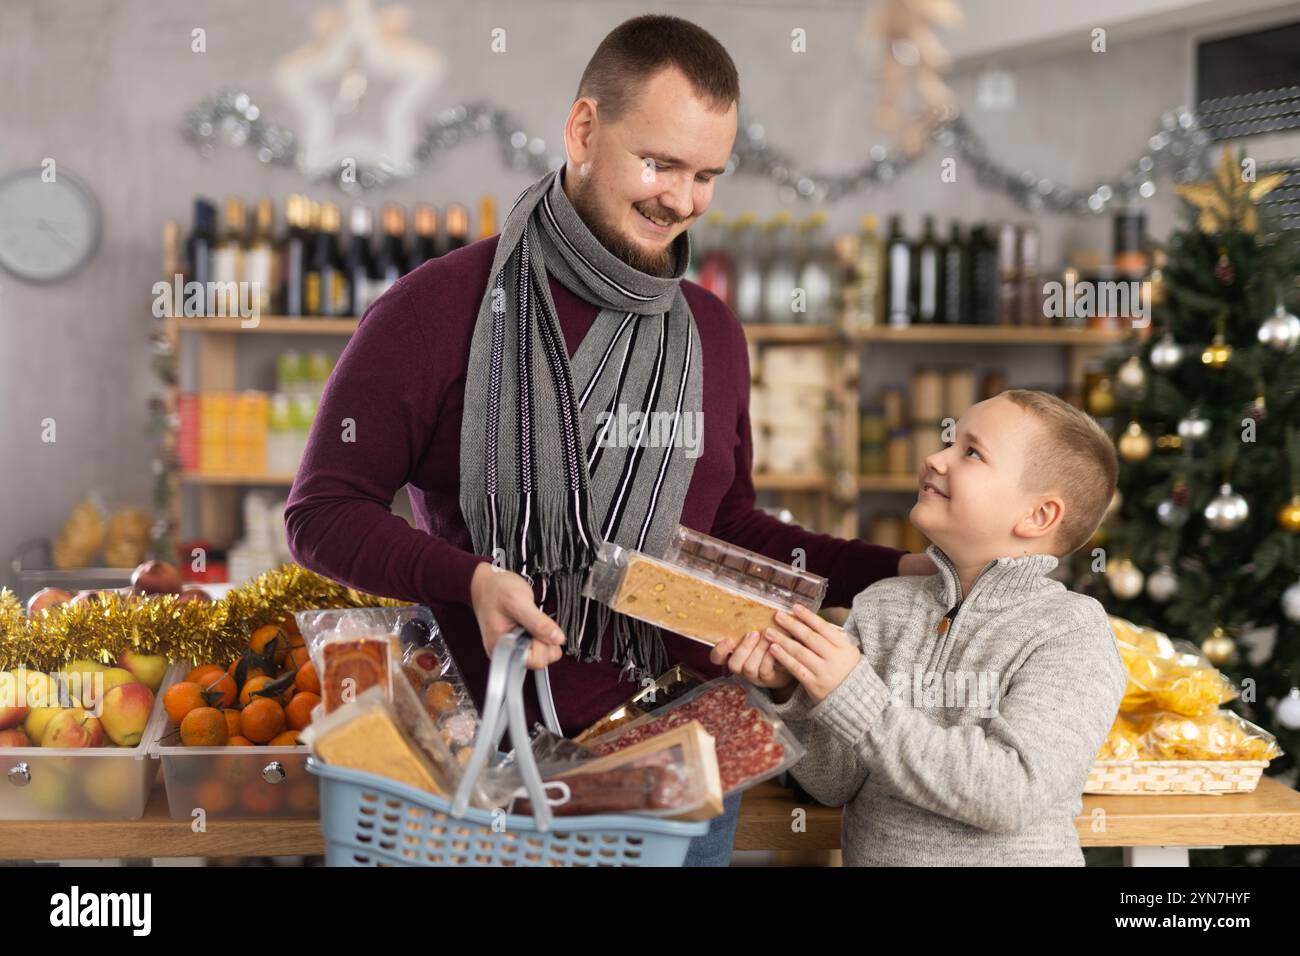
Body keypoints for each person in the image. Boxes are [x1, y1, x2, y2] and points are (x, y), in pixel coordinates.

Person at [285, 14, 933, 868]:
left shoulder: (710, 333)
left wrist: (899, 570)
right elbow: (322, 513)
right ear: (584, 131)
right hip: (490, 767)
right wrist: (469, 579)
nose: (683, 200)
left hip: (681, 767)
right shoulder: (435, 310)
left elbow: (724, 527)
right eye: (660, 163)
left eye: (707, 175)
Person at [714, 390, 1129, 865]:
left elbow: (1010, 793)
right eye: (949, 442)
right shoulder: (882, 605)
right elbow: (836, 783)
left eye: (971, 452)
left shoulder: (1070, 632)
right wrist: (795, 690)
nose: (935, 458)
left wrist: (853, 695)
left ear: (1038, 516)